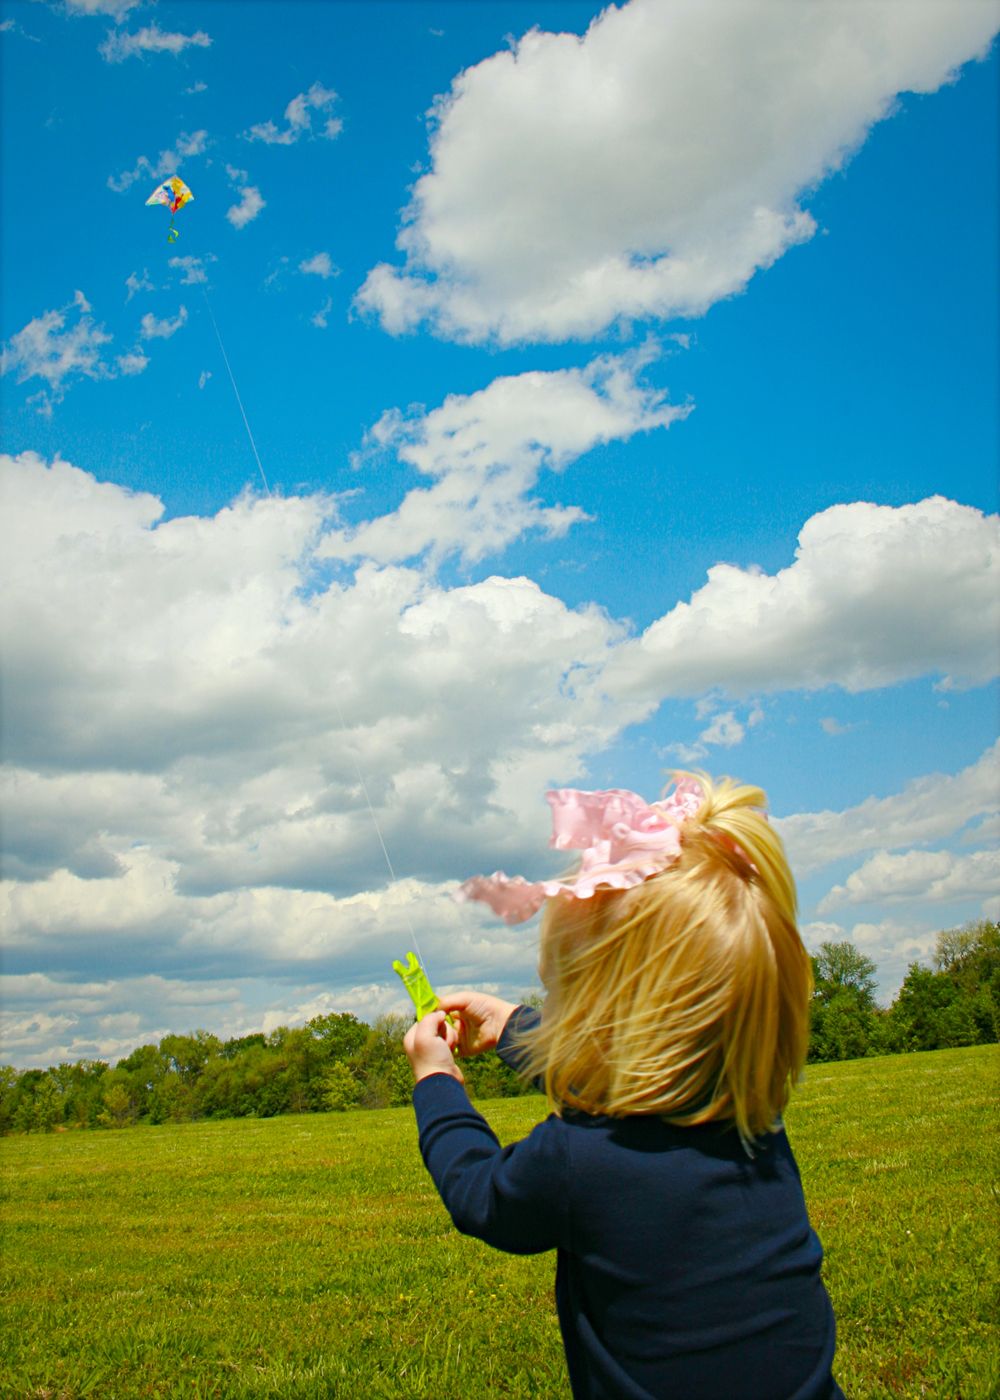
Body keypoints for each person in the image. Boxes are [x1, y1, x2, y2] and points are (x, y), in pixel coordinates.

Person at [403, 774, 844, 1400]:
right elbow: (619, 1074)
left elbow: (482, 1197)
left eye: (564, 999)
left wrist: (438, 1082)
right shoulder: (755, 1129)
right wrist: (506, 1026)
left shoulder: (578, 1159)